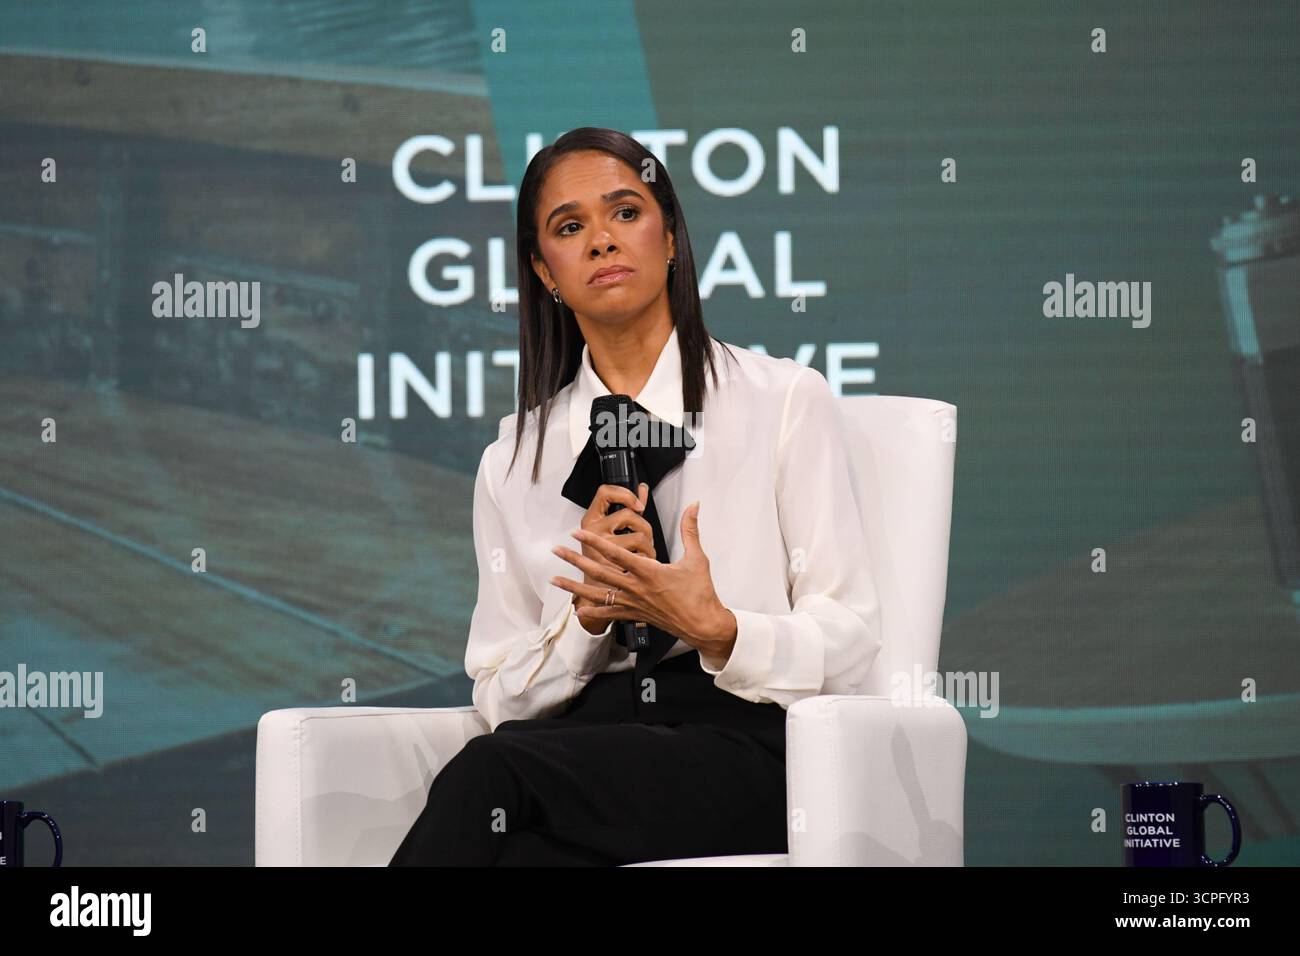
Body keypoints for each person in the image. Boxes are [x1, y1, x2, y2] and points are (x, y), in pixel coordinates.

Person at [389, 127, 882, 866]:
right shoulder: (512, 459)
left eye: (625, 212)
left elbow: (851, 640)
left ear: (673, 237)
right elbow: (497, 695)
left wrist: (719, 629)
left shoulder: (782, 400)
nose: (600, 241)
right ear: (542, 269)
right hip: (588, 748)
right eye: (568, 227)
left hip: (745, 742)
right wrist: (584, 624)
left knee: (492, 774)